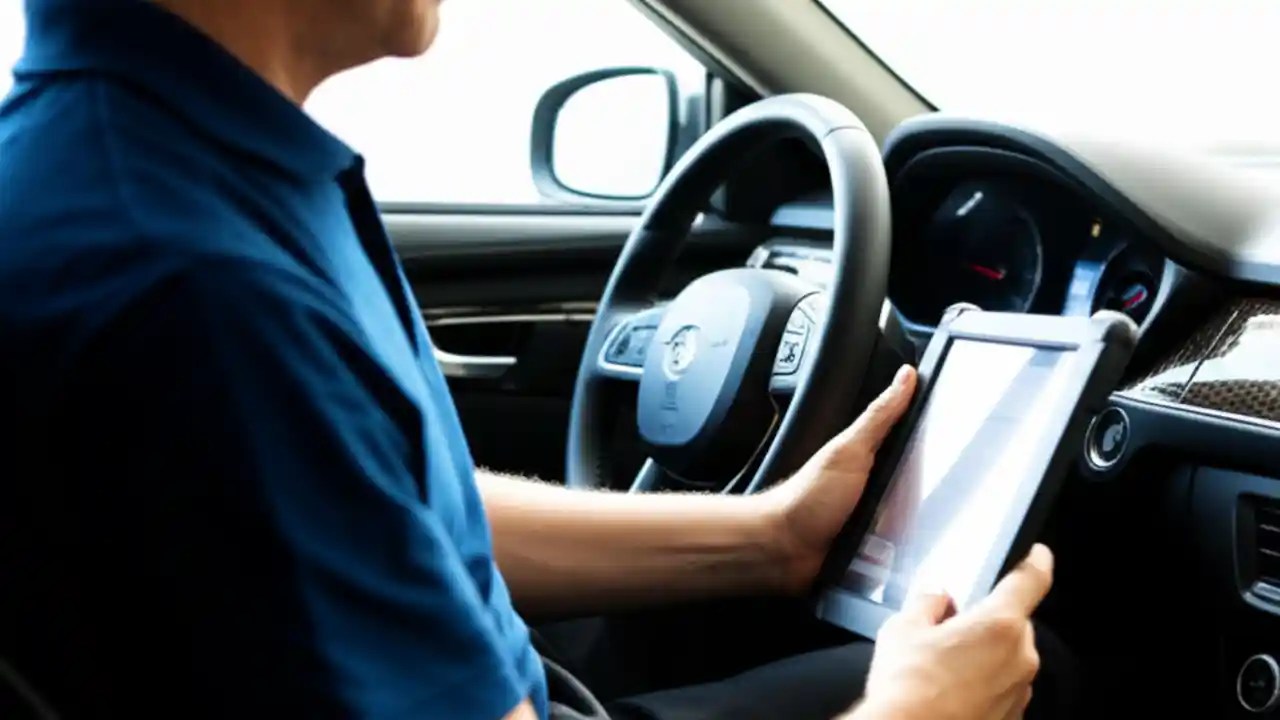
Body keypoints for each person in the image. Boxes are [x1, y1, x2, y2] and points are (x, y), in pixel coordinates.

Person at [0, 1, 1058, 718]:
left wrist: (768, 536)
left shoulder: (161, 162)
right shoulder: (198, 289)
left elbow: (382, 508)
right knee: (1042, 678)